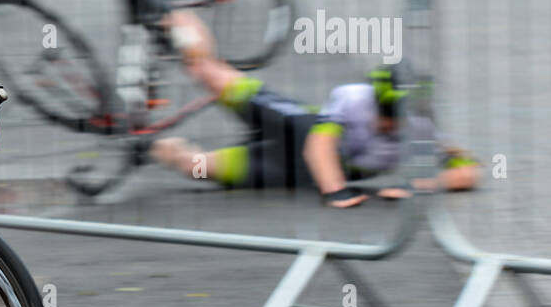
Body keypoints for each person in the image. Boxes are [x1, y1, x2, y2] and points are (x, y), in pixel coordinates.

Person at [151, 11, 479, 207]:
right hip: (295, 127)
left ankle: (150, 148)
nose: (389, 127)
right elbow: (319, 146)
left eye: (396, 120)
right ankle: (171, 13)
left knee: (196, 168)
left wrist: (421, 186)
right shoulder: (353, 98)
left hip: (294, 171)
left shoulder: (422, 127)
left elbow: (468, 169)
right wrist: (336, 192)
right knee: (208, 74)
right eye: (384, 116)